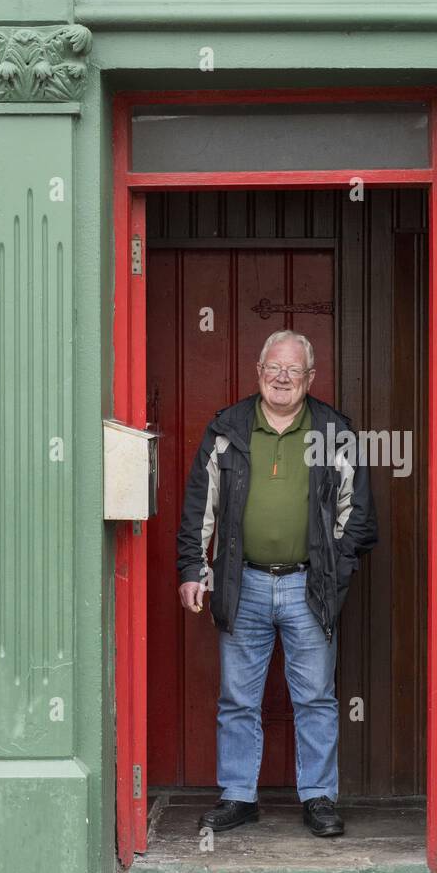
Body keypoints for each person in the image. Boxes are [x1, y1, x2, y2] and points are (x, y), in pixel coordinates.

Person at [176, 329, 377, 838]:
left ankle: (318, 798)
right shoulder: (228, 429)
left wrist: (335, 568)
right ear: (258, 372)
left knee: (315, 697)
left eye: (293, 370)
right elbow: (201, 506)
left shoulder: (333, 431)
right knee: (238, 698)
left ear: (311, 377)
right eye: (273, 368)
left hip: (309, 588)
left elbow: (360, 517)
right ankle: (239, 796)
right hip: (241, 584)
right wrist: (192, 569)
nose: (282, 378)